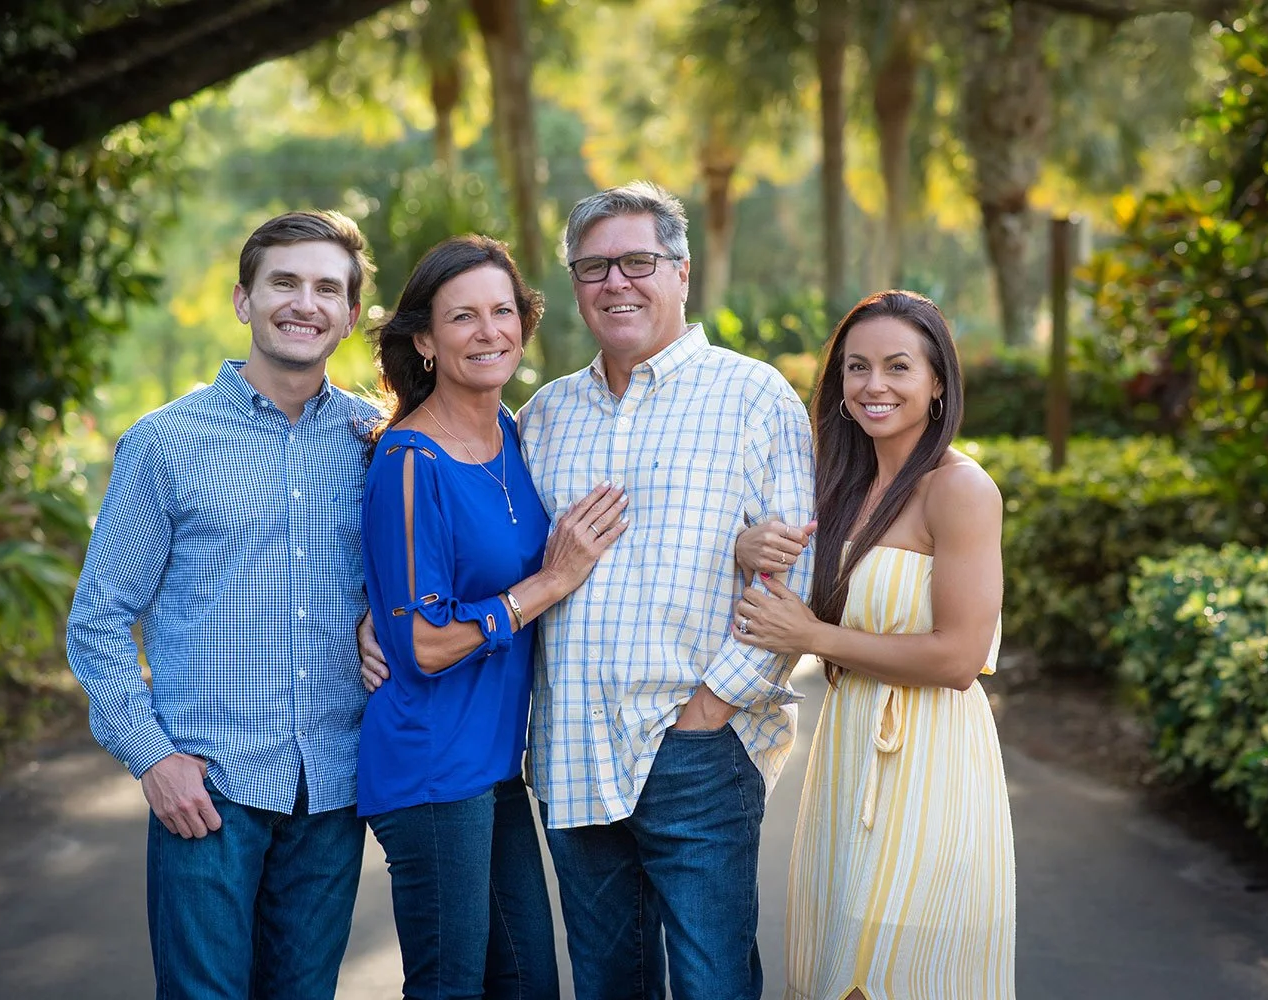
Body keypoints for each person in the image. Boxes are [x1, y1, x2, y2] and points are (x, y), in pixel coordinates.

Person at [67, 210, 377, 999]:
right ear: (244, 300)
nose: (303, 303)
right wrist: (152, 758)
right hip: (207, 791)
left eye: (326, 289)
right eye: (284, 283)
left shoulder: (376, 441)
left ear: (348, 315)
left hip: (331, 787)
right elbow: (100, 617)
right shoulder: (164, 443)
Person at [521, 181, 814, 1000]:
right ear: (575, 287)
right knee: (609, 981)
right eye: (593, 268)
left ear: (681, 272)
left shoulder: (752, 396)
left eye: (638, 261)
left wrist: (713, 707)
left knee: (713, 980)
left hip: (697, 745)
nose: (616, 282)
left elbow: (796, 574)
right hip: (574, 742)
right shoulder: (545, 415)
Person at [359, 234, 626, 999]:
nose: (489, 332)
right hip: (434, 766)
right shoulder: (410, 460)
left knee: (528, 983)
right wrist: (552, 581)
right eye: (463, 317)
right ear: (425, 341)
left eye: (503, 312)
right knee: (450, 988)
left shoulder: (516, 431)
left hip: (498, 763)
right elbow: (422, 645)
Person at [731, 290, 1015, 1000]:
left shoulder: (962, 489)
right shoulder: (840, 487)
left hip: (933, 755)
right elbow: (781, 588)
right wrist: (745, 546)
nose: (874, 385)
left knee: (905, 971)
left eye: (897, 366)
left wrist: (813, 636)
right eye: (857, 368)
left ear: (938, 381)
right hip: (850, 743)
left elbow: (957, 658)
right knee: (838, 963)